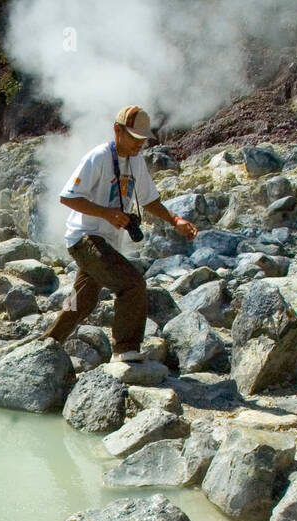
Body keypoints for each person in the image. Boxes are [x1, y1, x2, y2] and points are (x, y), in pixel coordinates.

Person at [38, 105, 198, 363]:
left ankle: (48, 343)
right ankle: (125, 349)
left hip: (107, 242)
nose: (139, 145)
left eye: (143, 140)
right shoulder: (98, 157)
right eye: (134, 138)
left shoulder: (136, 162)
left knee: (82, 301)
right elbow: (67, 197)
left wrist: (175, 219)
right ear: (117, 130)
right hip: (84, 238)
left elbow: (149, 200)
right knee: (132, 283)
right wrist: (106, 213)